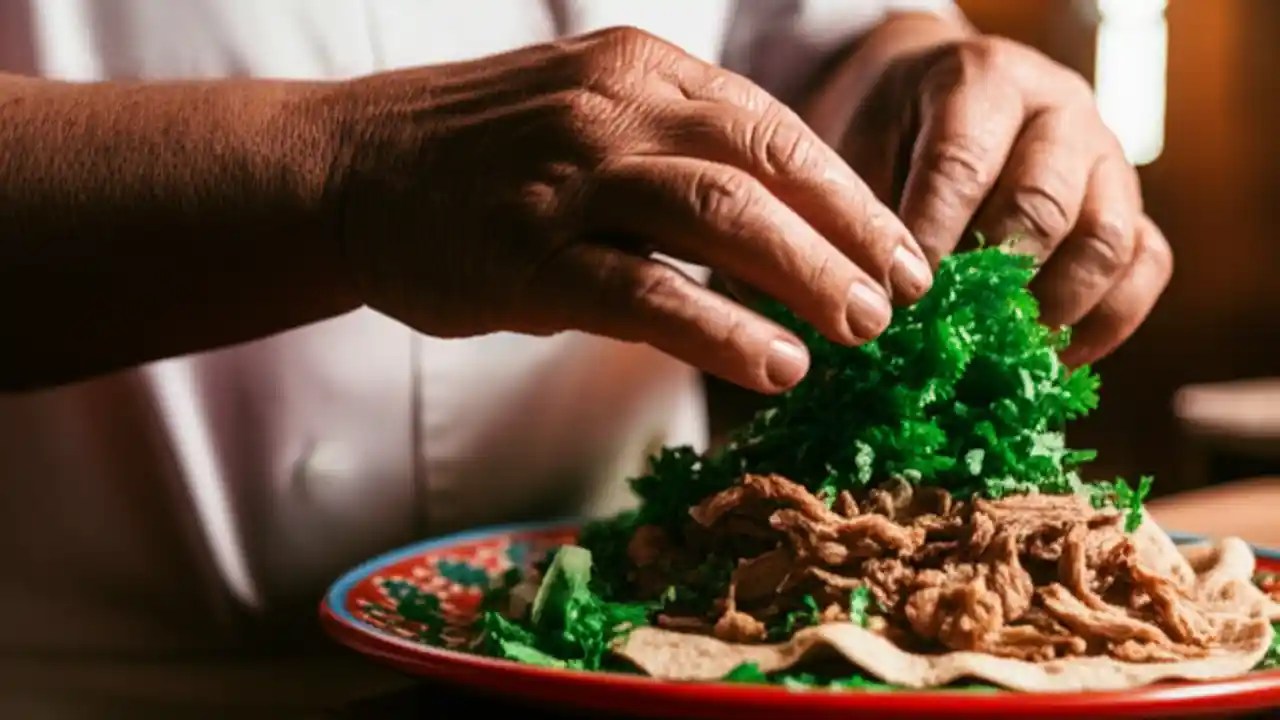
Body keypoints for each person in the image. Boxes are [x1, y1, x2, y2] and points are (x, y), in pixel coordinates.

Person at [0, 1, 1173, 716]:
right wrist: (345, 172)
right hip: (73, 683)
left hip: (652, 650)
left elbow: (817, 40)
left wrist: (924, 79)